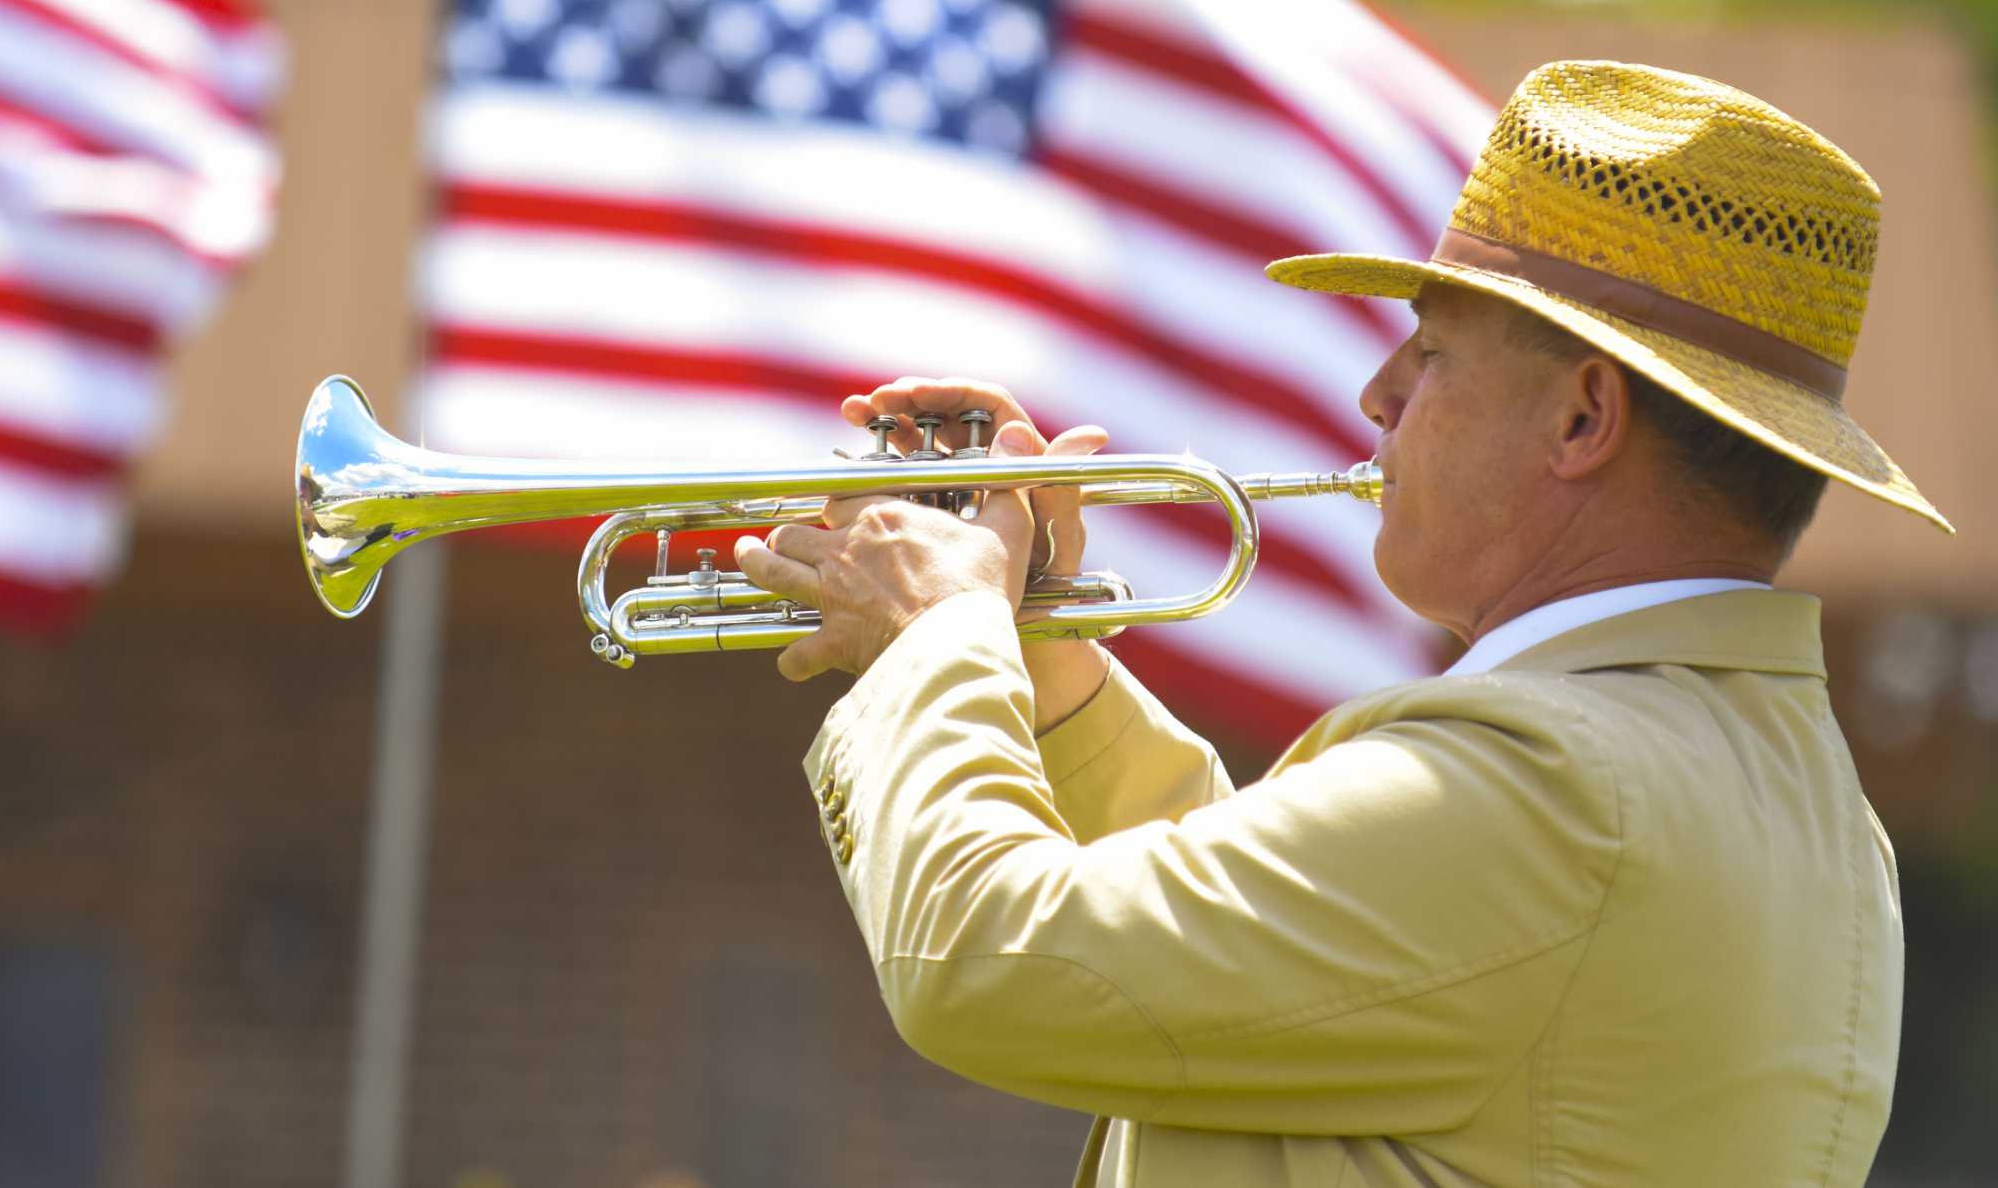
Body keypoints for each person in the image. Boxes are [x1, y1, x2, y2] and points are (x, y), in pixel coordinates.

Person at [732, 60, 1950, 1186]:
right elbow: (1263, 963)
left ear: (1583, 420)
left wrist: (940, 632)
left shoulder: (1563, 780)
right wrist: (1033, 647)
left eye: (1431, 354)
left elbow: (992, 965)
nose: (1377, 395)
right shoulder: (1766, 793)